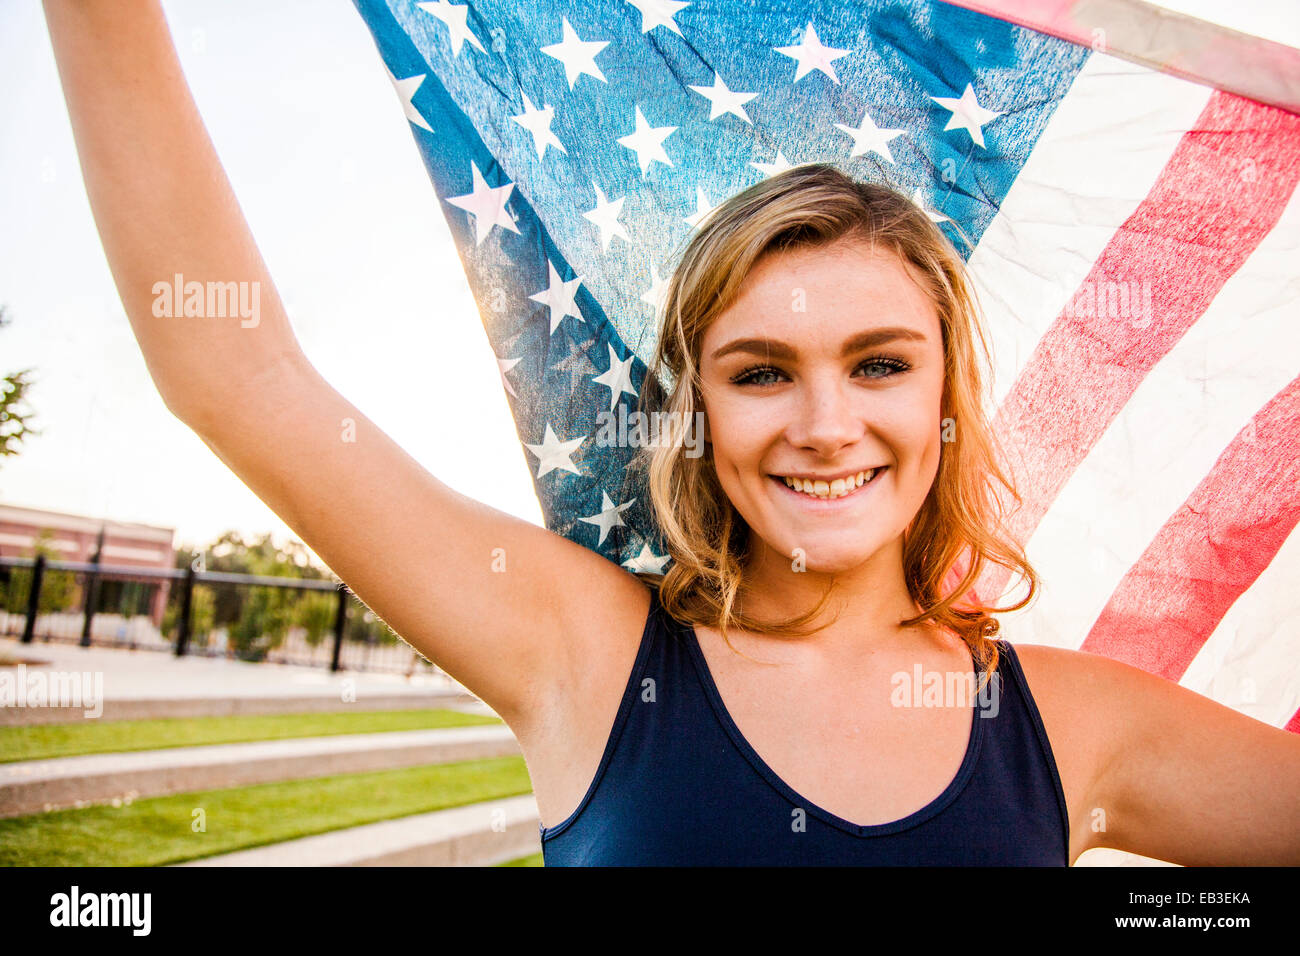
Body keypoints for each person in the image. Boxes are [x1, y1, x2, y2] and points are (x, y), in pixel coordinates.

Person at [44, 0, 1300, 866]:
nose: (824, 424)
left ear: (942, 402)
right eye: (760, 372)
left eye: (878, 364)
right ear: (695, 414)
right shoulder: (584, 650)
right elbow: (235, 369)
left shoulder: (1075, 725)